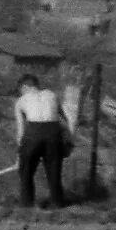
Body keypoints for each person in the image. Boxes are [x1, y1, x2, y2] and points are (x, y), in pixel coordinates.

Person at [13, 72, 71, 209]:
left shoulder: (21, 101)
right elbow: (65, 120)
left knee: (25, 171)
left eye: (21, 90)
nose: (21, 93)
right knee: (54, 170)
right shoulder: (52, 95)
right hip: (53, 131)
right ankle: (57, 203)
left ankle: (26, 204)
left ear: (25, 87)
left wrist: (19, 155)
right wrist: (68, 141)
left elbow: (20, 130)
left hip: (33, 132)